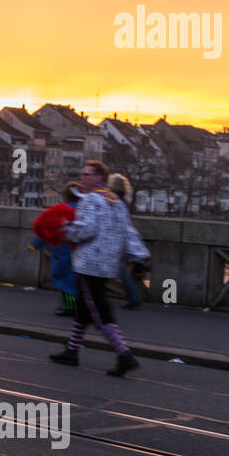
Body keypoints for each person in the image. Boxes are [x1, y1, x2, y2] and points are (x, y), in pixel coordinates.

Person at [49, 160, 150, 377]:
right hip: (108, 264)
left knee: (98, 310)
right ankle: (72, 351)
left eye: (87, 174)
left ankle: (124, 355)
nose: (83, 178)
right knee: (85, 309)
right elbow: (128, 232)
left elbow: (86, 230)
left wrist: (63, 229)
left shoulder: (92, 200)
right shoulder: (116, 201)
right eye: (82, 174)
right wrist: (139, 256)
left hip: (89, 264)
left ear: (99, 179)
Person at [31, 181, 82, 317]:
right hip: (80, 251)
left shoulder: (60, 210)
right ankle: (76, 306)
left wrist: (35, 245)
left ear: (66, 195)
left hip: (62, 250)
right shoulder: (84, 209)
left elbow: (46, 227)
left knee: (65, 282)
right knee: (75, 281)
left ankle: (69, 307)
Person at [108, 173, 143, 309]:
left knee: (119, 271)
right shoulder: (124, 202)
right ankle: (134, 297)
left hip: (114, 240)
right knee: (120, 270)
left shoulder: (114, 201)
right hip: (122, 240)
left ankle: (134, 298)